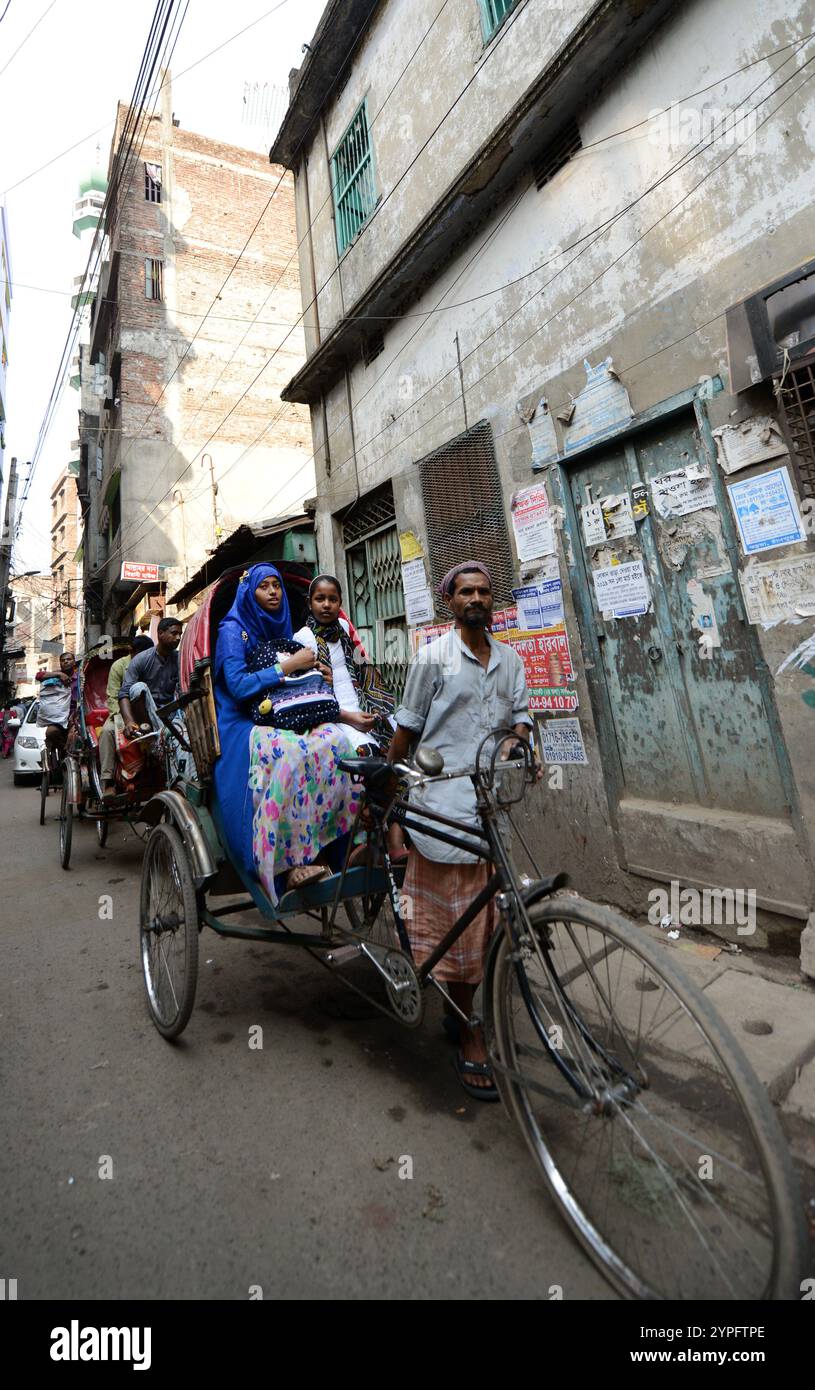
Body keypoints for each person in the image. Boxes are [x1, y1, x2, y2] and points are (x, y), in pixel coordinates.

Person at [387, 561, 533, 1101]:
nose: (476, 598)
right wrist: (393, 799)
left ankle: (463, 1011)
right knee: (450, 925)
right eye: (465, 591)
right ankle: (467, 1026)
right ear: (451, 602)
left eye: (483, 591)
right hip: (441, 806)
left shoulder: (511, 659)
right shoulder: (432, 658)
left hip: (489, 806)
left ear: (492, 600)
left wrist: (519, 742)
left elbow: (521, 716)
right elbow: (405, 730)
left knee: (484, 925)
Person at [212, 563, 362, 900]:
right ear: (250, 593)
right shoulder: (233, 631)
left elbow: (295, 677)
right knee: (290, 753)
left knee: (335, 742)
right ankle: (290, 864)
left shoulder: (284, 627)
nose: (273, 592)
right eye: (264, 587)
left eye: (276, 586)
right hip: (241, 721)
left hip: (283, 713)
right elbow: (236, 686)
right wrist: (286, 668)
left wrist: (314, 672)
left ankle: (340, 848)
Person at [292, 574, 396, 754]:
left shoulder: (342, 626)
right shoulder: (304, 637)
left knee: (399, 735)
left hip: (360, 702)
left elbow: (357, 665)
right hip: (334, 713)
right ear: (309, 603)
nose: (326, 604)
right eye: (320, 599)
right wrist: (348, 717)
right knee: (367, 751)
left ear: (340, 603)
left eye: (333, 599)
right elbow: (310, 691)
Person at [97, 635, 154, 798]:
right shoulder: (119, 666)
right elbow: (113, 696)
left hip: (145, 710)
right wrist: (122, 719)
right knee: (107, 732)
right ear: (132, 652)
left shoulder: (150, 663)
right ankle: (107, 781)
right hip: (121, 712)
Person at [118, 618, 182, 739]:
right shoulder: (141, 659)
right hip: (146, 716)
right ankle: (160, 734)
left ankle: (164, 733)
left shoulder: (180, 659)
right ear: (160, 633)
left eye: (180, 634)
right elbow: (124, 693)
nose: (178, 638)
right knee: (137, 688)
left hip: (171, 713)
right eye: (174, 633)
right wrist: (129, 721)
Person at [36, 651, 79, 764]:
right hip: (57, 718)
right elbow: (39, 676)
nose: (65, 661)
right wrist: (59, 675)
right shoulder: (55, 676)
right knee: (50, 732)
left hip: (75, 717)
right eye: (63, 660)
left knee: (77, 736)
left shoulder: (80, 678)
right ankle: (64, 751)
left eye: (68, 659)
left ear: (74, 662)